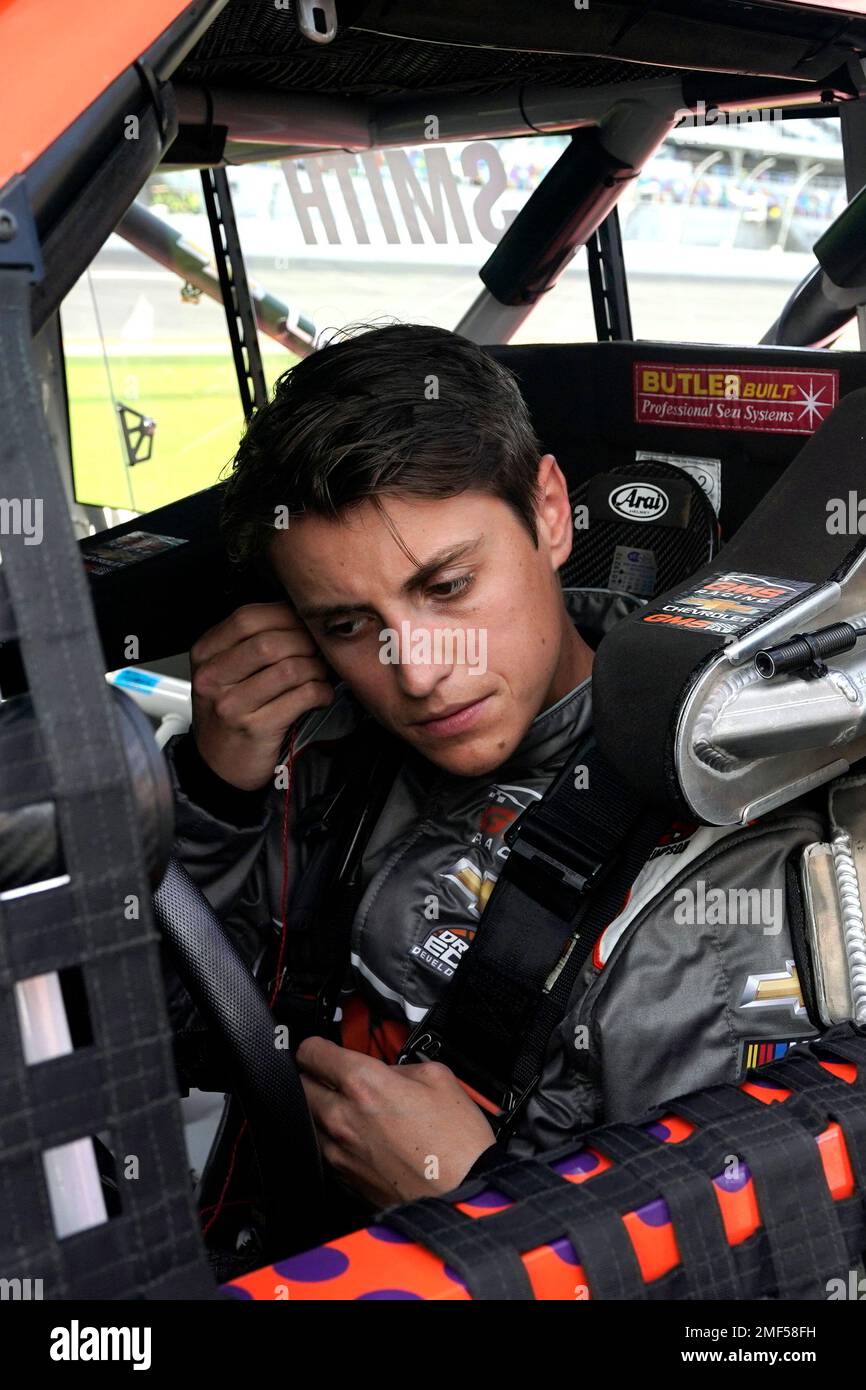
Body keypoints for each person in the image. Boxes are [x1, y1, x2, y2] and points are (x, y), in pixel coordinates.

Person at [165, 322, 824, 1213]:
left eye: (446, 588)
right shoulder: (310, 756)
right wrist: (210, 799)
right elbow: (161, 1045)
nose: (420, 671)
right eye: (349, 624)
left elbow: (749, 1297)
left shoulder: (725, 848)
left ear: (550, 513)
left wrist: (487, 1205)